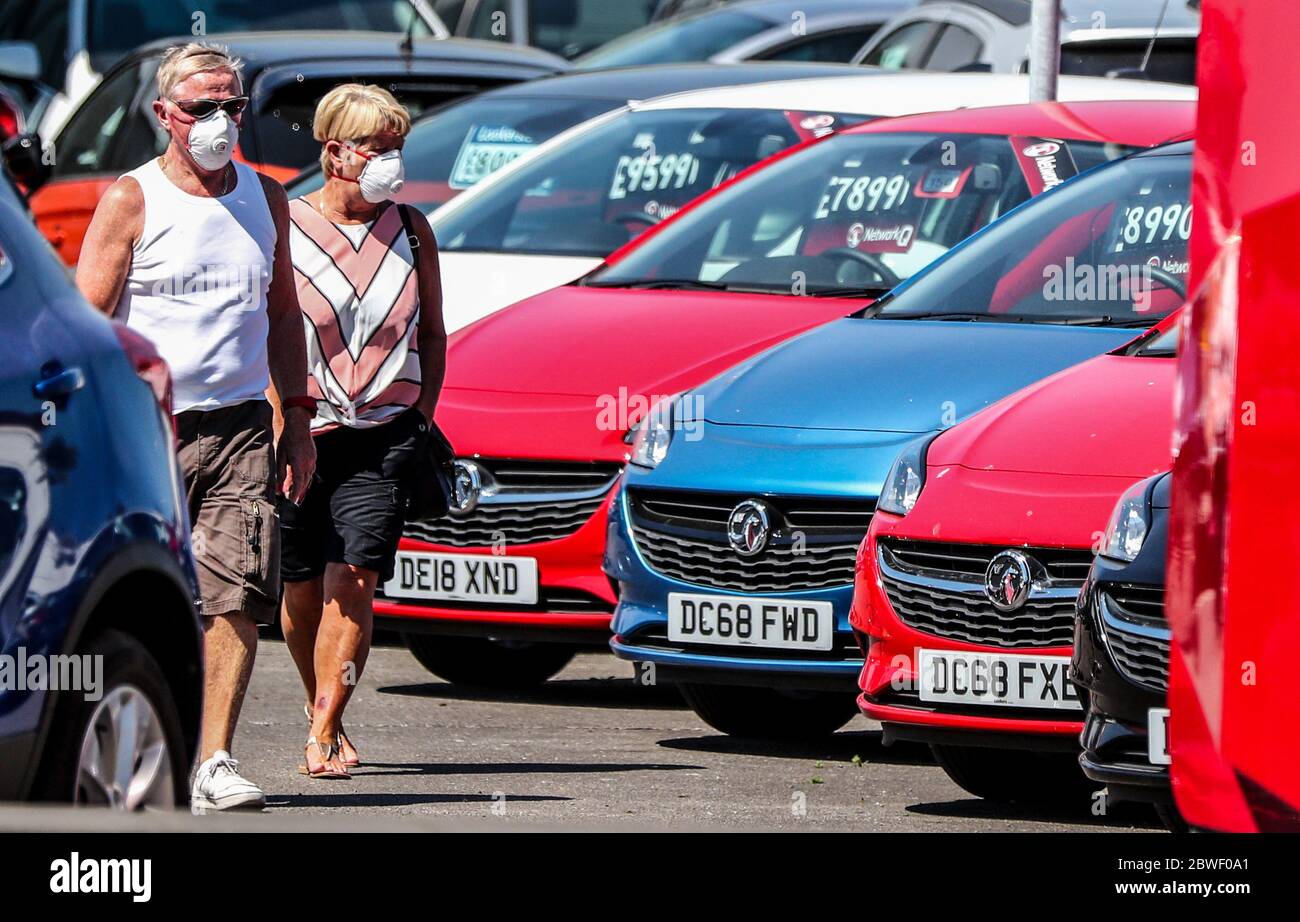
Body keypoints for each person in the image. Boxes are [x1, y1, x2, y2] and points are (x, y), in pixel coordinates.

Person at [75, 42, 316, 811]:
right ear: (164, 115)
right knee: (139, 594)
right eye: (200, 107)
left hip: (241, 424)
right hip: (148, 432)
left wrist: (298, 415)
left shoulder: (266, 198)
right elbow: (88, 326)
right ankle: (136, 744)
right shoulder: (131, 200)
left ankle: (213, 759)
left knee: (237, 590)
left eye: (231, 106)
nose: (219, 121)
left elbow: (283, 312)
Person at [279, 84, 446, 778]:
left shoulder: (412, 229)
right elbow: (265, 330)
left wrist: (422, 413)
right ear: (335, 153)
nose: (390, 162)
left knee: (353, 576)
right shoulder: (285, 225)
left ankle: (324, 727)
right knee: (299, 589)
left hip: (384, 434)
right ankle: (320, 702)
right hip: (300, 430)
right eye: (376, 148)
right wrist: (282, 418)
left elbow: (433, 331)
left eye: (396, 147)